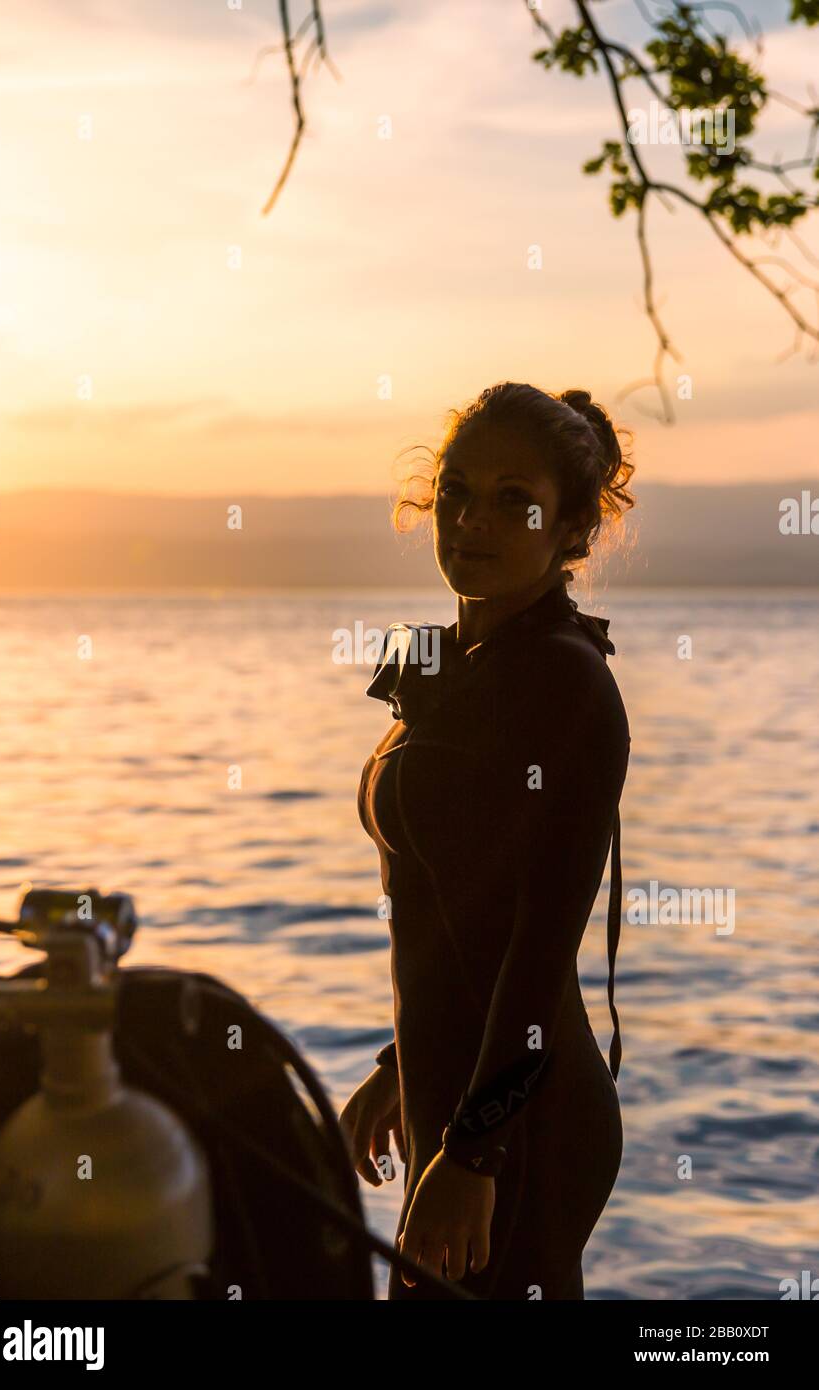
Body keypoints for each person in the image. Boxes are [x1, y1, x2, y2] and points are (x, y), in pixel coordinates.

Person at [339, 382, 635, 1300]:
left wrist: (475, 1152)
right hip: (454, 1096)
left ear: (573, 531)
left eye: (517, 499)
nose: (471, 519)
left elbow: (539, 949)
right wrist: (401, 1065)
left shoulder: (564, 685)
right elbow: (460, 907)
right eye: (458, 490)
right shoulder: (462, 665)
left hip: (521, 1123)